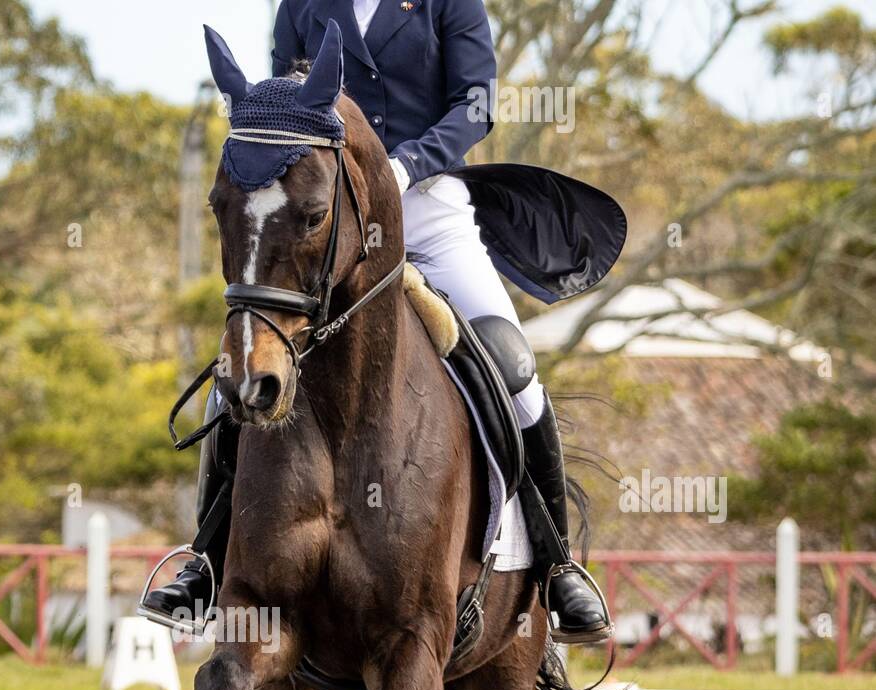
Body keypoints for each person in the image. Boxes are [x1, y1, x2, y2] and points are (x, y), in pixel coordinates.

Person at [145, 0, 626, 644]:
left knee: (514, 367)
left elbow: (475, 104)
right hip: (328, 210)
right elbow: (289, 102)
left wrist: (408, 163)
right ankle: (205, 560)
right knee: (243, 360)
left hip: (425, 203)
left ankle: (557, 565)